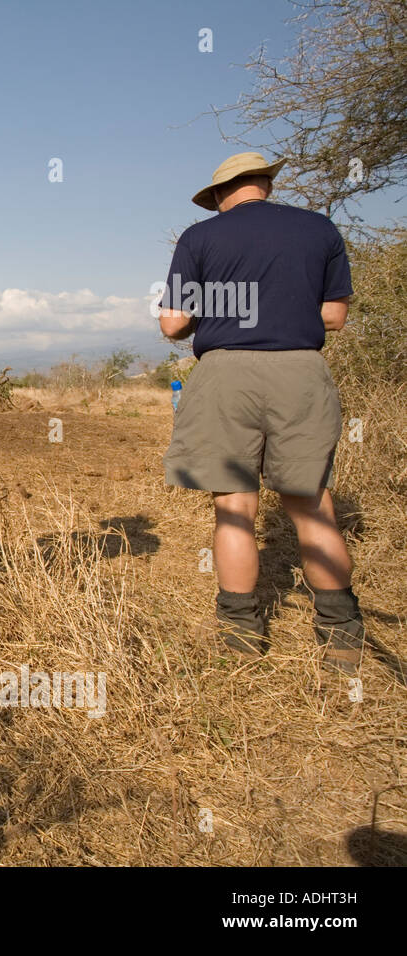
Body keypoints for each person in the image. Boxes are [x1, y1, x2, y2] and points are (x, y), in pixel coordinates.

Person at [159, 151, 364, 674]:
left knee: (234, 507)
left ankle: (242, 633)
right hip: (300, 369)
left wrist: (211, 314)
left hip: (226, 373)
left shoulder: (200, 237)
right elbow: (334, 316)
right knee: (314, 507)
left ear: (221, 195)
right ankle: (341, 635)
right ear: (265, 185)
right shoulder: (320, 230)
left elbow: (172, 324)